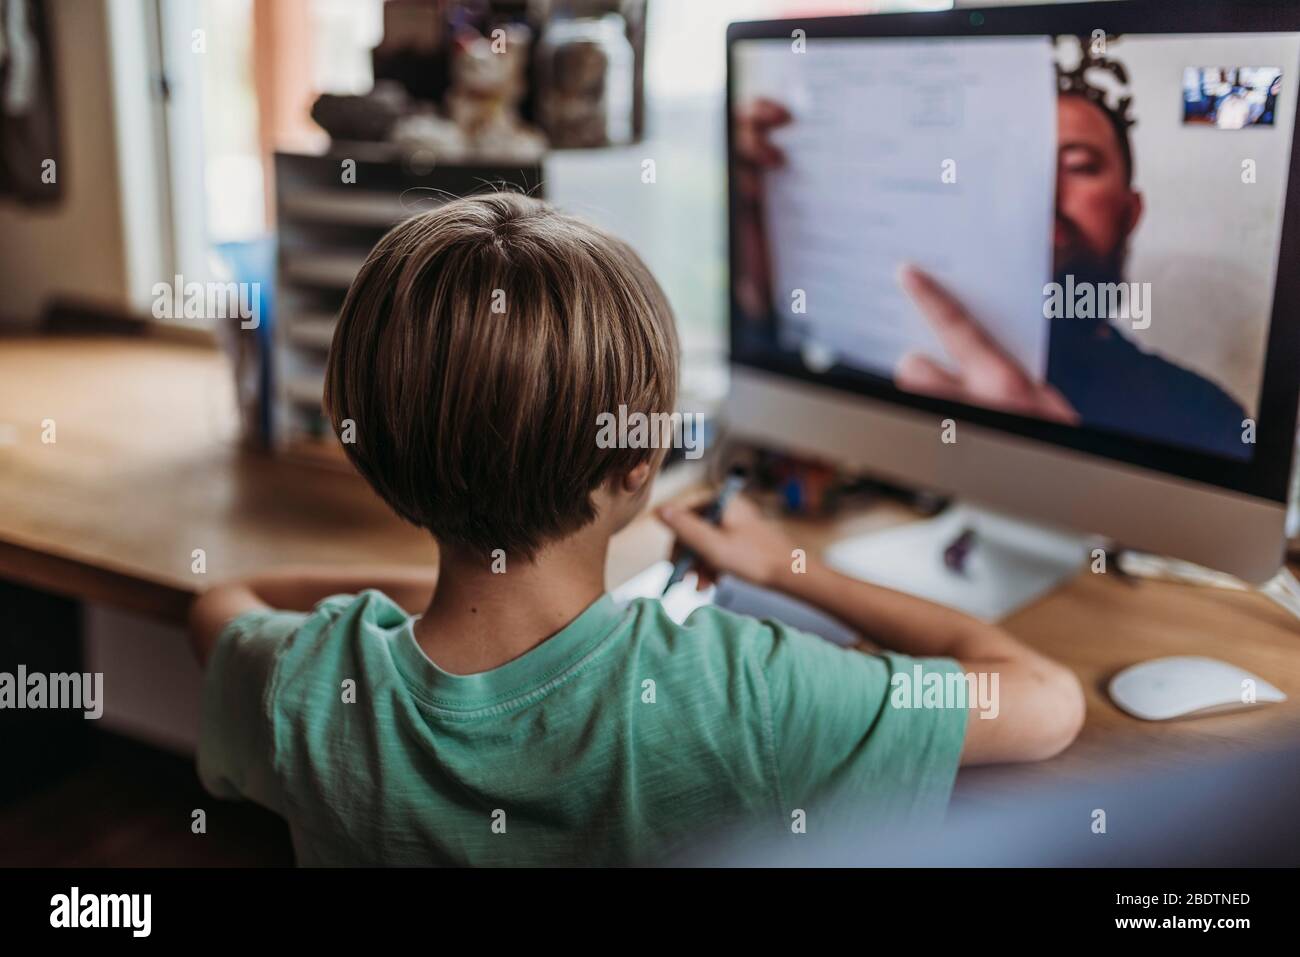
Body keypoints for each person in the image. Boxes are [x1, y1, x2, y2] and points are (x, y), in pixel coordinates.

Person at [189, 194, 1084, 866]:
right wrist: (787, 569)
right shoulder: (746, 693)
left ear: (367, 451)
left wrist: (411, 606)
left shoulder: (300, 681)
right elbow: (1046, 701)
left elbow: (222, 602)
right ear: (637, 464)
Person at [735, 64, 1250, 458]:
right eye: (1013, 165)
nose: (1042, 191)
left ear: (1130, 211)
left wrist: (1050, 465)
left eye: (1079, 166)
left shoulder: (1206, 416)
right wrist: (767, 263)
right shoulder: (883, 356)